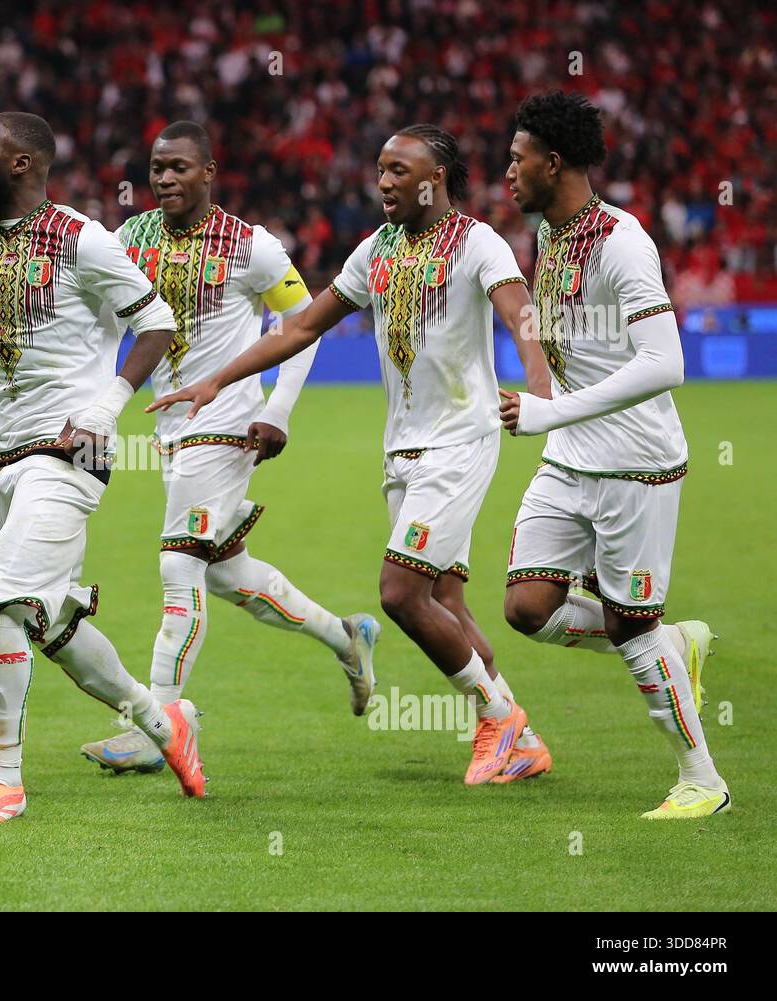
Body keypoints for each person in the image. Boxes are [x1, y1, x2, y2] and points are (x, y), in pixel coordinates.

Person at [150, 125, 555, 786]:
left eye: (400, 170)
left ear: (437, 178)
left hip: (461, 439)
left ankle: (498, 718)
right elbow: (304, 323)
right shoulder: (377, 250)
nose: (385, 182)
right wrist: (221, 378)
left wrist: (540, 386)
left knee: (400, 591)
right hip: (402, 450)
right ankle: (521, 736)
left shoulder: (476, 241)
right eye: (381, 170)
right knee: (445, 600)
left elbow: (521, 313)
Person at [0, 112, 207, 824]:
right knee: (55, 624)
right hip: (6, 452)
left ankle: (5, 780)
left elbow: (157, 322)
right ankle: (167, 725)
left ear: (24, 163)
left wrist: (109, 406)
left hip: (72, 448)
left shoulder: (82, 239)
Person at [80, 121, 380, 776]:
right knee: (228, 576)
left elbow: (304, 326)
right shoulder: (131, 240)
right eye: (156, 167)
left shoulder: (253, 246)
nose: (163, 178)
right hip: (172, 431)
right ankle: (346, 635)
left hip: (227, 424)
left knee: (176, 568)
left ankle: (159, 722)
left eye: (179, 167)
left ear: (209, 172)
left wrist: (277, 408)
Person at [499, 92, 727, 817]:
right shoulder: (550, 235)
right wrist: (543, 394)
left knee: (632, 627)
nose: (508, 172)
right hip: (569, 458)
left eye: (517, 158)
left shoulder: (623, 241)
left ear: (553, 162)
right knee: (526, 606)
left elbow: (665, 363)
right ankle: (671, 639)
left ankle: (703, 781)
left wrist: (551, 409)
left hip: (635, 464)